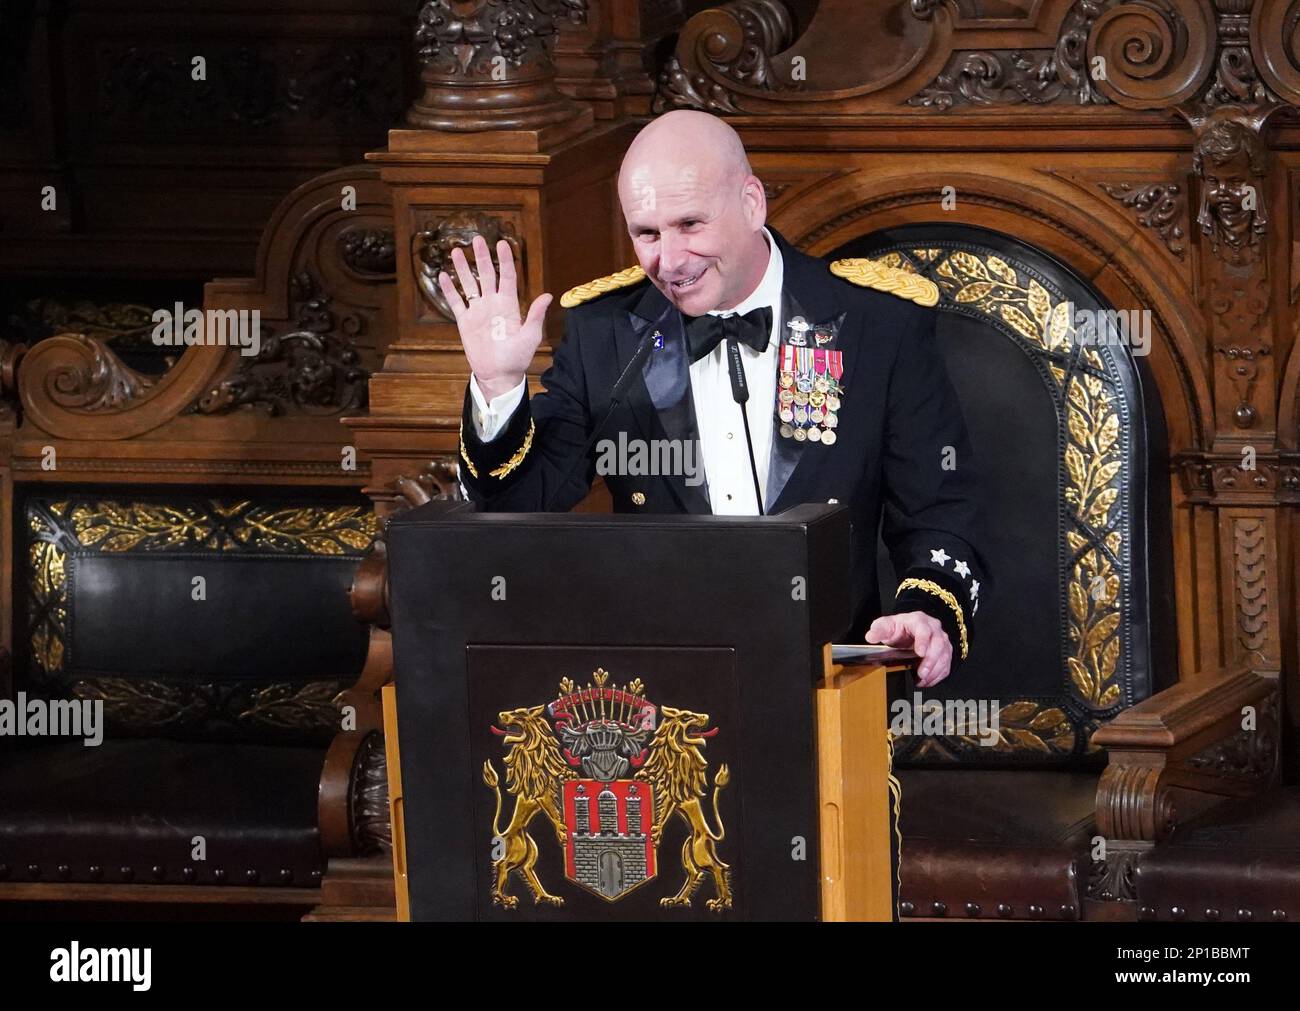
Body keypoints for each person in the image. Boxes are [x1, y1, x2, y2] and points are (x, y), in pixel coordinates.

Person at [439, 110, 988, 687]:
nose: (669, 262)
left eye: (690, 224)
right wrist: (500, 386)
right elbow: (517, 508)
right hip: (662, 696)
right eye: (646, 234)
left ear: (752, 203)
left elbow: (941, 512)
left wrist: (930, 613)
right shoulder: (608, 331)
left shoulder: (876, 324)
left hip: (829, 685)